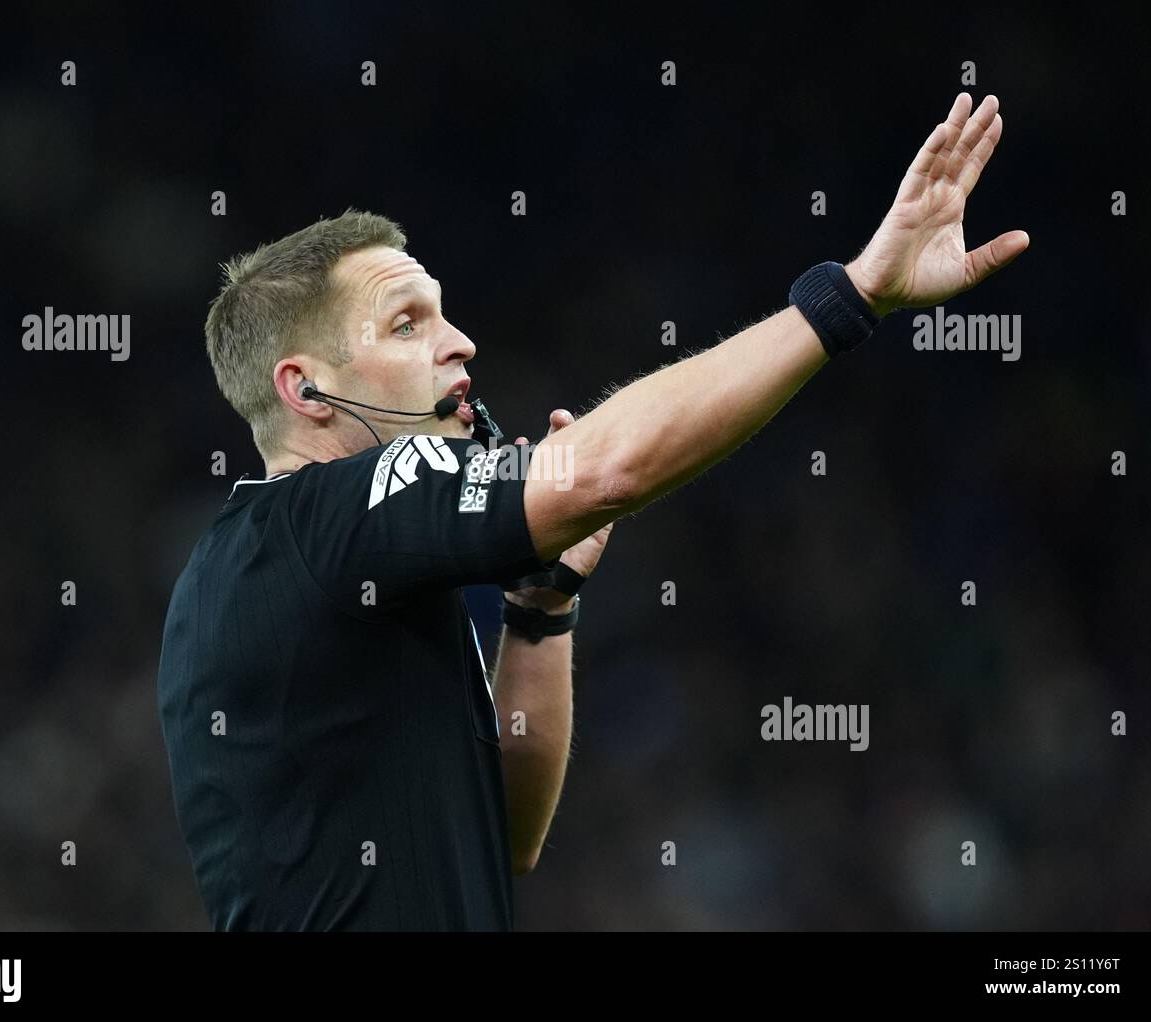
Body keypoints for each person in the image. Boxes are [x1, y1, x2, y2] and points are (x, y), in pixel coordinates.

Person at [157, 92, 1028, 930]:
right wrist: (853, 296)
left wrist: (539, 615)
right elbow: (600, 472)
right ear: (305, 388)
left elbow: (506, 839)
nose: (458, 341)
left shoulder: (301, 571)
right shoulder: (321, 517)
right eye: (406, 324)